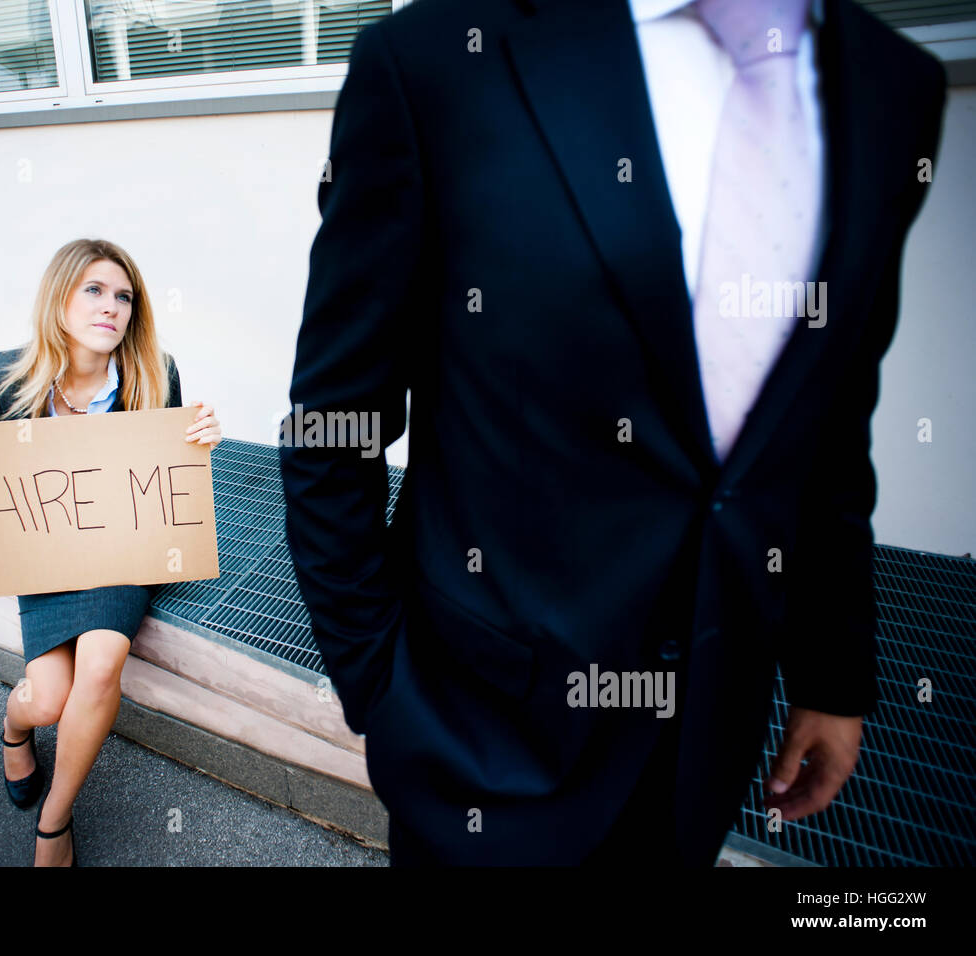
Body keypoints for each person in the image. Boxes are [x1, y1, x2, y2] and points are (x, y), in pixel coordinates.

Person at [278, 0, 946, 865]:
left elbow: (827, 417)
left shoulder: (894, 86)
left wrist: (832, 674)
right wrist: (379, 683)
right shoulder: (438, 58)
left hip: (705, 742)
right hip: (484, 741)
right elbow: (338, 417)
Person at [0, 238, 222, 866]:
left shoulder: (155, 372)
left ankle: (54, 824)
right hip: (47, 559)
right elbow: (2, 481)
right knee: (47, 700)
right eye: (94, 289)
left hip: (122, 554)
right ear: (59, 298)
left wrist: (201, 441)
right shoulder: (7, 373)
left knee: (100, 665)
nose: (111, 306)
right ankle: (15, 728)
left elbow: (166, 475)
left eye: (123, 296)